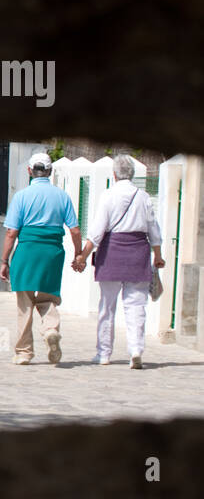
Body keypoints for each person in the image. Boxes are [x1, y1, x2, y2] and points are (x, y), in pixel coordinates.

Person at [74, 155, 166, 368]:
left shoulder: (108, 195)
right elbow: (153, 228)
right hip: (138, 253)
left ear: (114, 174)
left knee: (107, 306)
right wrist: (158, 255)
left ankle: (104, 353)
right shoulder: (143, 196)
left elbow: (97, 231)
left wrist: (83, 256)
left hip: (112, 253)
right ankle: (135, 349)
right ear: (132, 174)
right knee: (136, 305)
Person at [1, 152, 82, 365]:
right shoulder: (62, 196)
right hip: (52, 253)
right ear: (50, 171)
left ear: (29, 171)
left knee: (24, 303)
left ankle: (24, 352)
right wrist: (79, 254)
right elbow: (74, 230)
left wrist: (4, 260)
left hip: (27, 250)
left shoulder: (21, 197)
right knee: (48, 298)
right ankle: (50, 329)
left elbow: (11, 232)